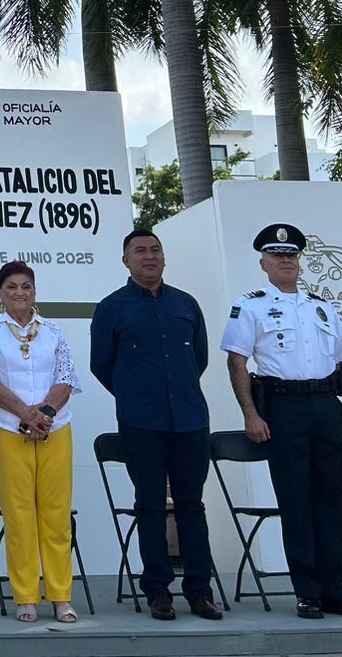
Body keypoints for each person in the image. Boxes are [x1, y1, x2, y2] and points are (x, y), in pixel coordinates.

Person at [220, 222, 342, 621]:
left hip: (325, 405)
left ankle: (335, 590)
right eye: (278, 255)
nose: (286, 261)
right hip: (282, 408)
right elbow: (237, 361)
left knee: (331, 502)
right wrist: (251, 414)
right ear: (263, 262)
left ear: (299, 261)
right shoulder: (250, 305)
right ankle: (307, 592)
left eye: (291, 255)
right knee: (297, 502)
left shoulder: (321, 306)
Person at [90, 229, 223, 622]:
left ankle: (200, 591)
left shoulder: (186, 304)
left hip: (190, 420)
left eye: (155, 250)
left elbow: (199, 358)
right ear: (126, 261)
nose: (149, 257)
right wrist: (135, 396)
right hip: (141, 422)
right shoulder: (112, 307)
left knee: (191, 507)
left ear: (164, 258)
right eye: (139, 251)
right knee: (149, 506)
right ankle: (158, 592)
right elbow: (102, 365)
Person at [0, 260, 83, 624]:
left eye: (26, 287)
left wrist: (45, 413)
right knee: (19, 515)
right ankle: (25, 596)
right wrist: (25, 413)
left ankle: (61, 596)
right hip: (9, 429)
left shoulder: (52, 329)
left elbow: (66, 377)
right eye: (11, 287)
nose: (19, 293)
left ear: (35, 291)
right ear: (0, 293)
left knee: (55, 513)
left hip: (54, 427)